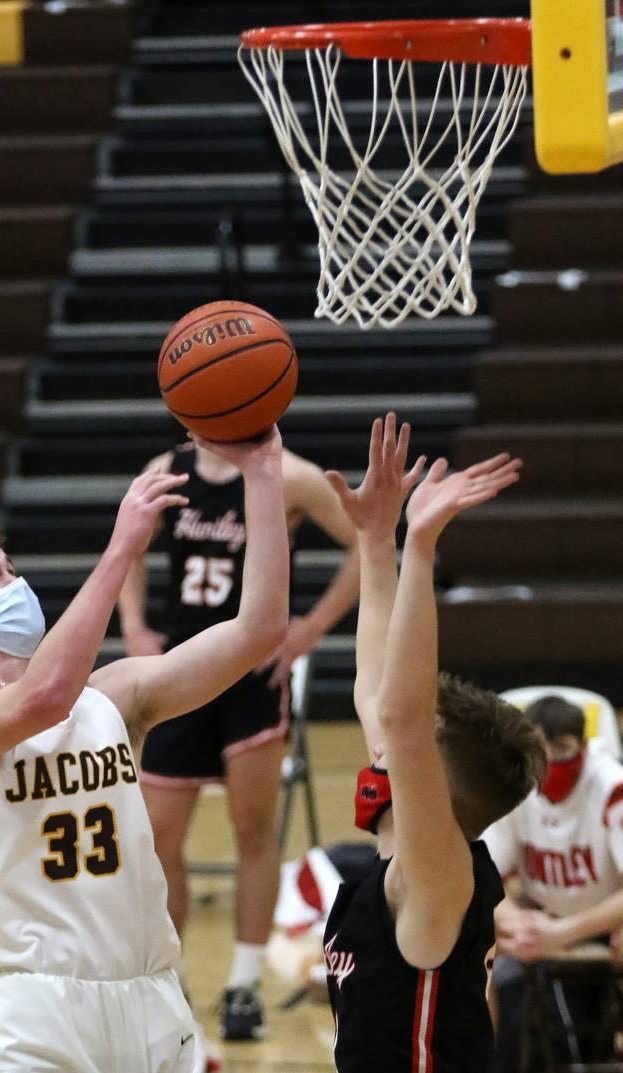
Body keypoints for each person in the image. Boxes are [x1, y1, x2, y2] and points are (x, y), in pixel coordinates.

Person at [0, 430, 287, 1073]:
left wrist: (263, 473)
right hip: (33, 1006)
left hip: (153, 995)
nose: (13, 583)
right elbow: (44, 696)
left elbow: (258, 629)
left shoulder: (116, 696)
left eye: (12, 568)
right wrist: (123, 546)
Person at [321, 413, 546, 1073]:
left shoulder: (442, 879)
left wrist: (419, 548)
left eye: (411, 743)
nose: (388, 738)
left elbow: (400, 710)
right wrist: (374, 538)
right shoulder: (408, 858)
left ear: (433, 786)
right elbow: (378, 687)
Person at [117, 437, 360, 1041]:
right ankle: (165, 981)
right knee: (157, 837)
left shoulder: (293, 476)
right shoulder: (164, 469)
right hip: (180, 671)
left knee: (253, 830)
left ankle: (244, 986)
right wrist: (134, 627)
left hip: (251, 677)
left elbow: (370, 542)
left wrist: (313, 627)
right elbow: (128, 548)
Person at [483, 694, 623, 1071]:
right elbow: (483, 877)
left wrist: (563, 931)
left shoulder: (612, 786)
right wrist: (513, 919)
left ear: (583, 746)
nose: (550, 763)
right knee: (466, 940)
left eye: (560, 750)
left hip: (604, 920)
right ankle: (484, 1061)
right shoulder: (514, 786)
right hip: (539, 915)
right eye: (540, 751)